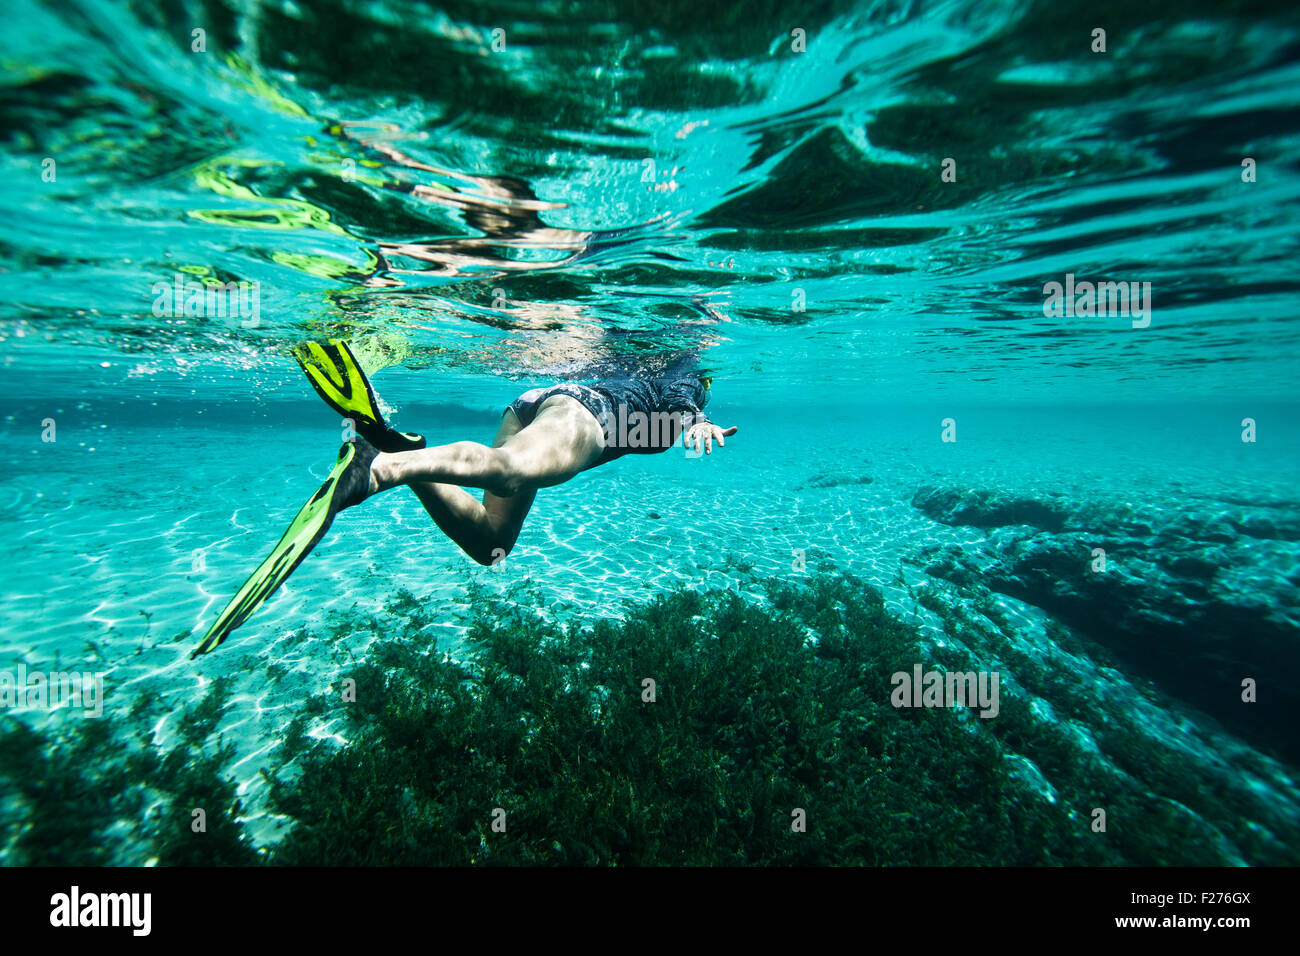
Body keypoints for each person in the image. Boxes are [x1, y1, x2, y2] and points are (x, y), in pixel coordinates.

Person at [190, 341, 735, 657]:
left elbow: (675, 402)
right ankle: (378, 470)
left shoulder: (662, 379)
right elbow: (684, 400)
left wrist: (690, 418)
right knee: (508, 472)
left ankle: (393, 449)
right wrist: (699, 421)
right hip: (583, 413)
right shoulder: (684, 382)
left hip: (541, 403)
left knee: (491, 542)